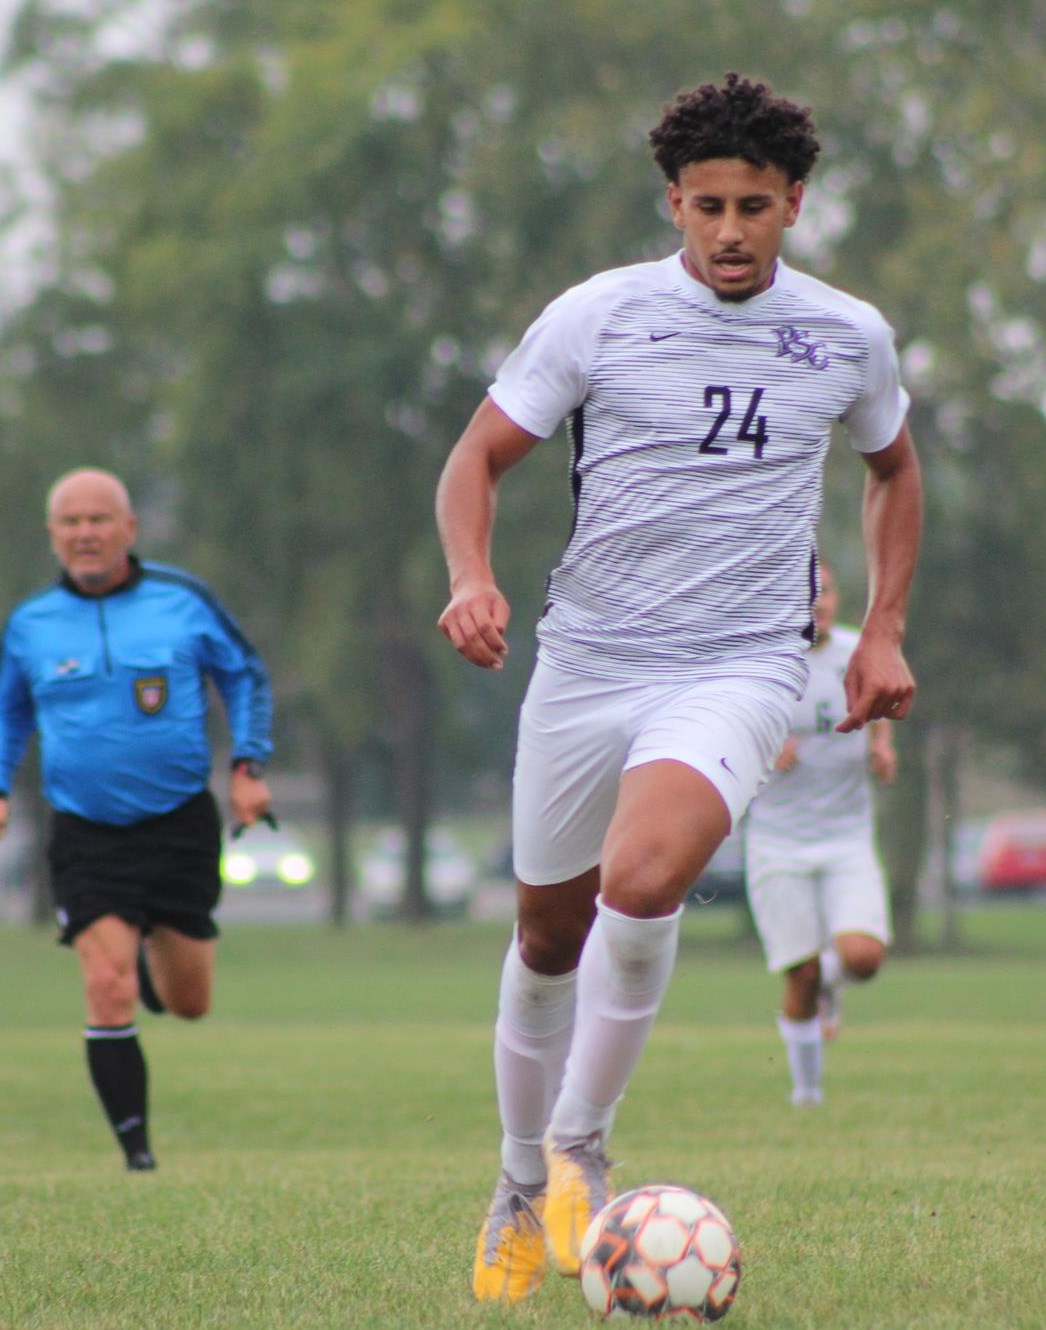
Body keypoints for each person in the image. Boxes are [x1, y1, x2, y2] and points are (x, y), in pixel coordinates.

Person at [436, 73, 921, 1303]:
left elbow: (894, 470)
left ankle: (580, 1144)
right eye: (706, 205)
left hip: (737, 664)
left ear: (795, 204)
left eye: (754, 205)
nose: (728, 231)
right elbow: (478, 458)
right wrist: (470, 576)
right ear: (673, 202)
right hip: (587, 661)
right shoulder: (598, 318)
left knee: (642, 878)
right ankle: (513, 1179)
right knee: (547, 932)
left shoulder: (847, 335)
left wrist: (884, 632)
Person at [0, 468, 274, 1171]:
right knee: (107, 989)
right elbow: (4, 710)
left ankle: (143, 947)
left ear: (129, 529)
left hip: (179, 825)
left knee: (189, 1001)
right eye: (70, 522)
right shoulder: (31, 625)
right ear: (52, 535)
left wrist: (248, 766)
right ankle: (137, 1156)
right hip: (85, 831)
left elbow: (245, 673)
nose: (85, 534)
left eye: (99, 520)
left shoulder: (183, 600)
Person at [741, 559, 896, 1107]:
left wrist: (881, 747)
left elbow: (880, 699)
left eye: (825, 591)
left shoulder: (858, 652)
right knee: (799, 973)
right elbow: (727, 731)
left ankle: (835, 983)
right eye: (806, 594)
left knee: (863, 958)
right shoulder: (761, 664)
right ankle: (807, 1095)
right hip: (777, 842)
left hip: (847, 836)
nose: (818, 603)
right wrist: (763, 750)